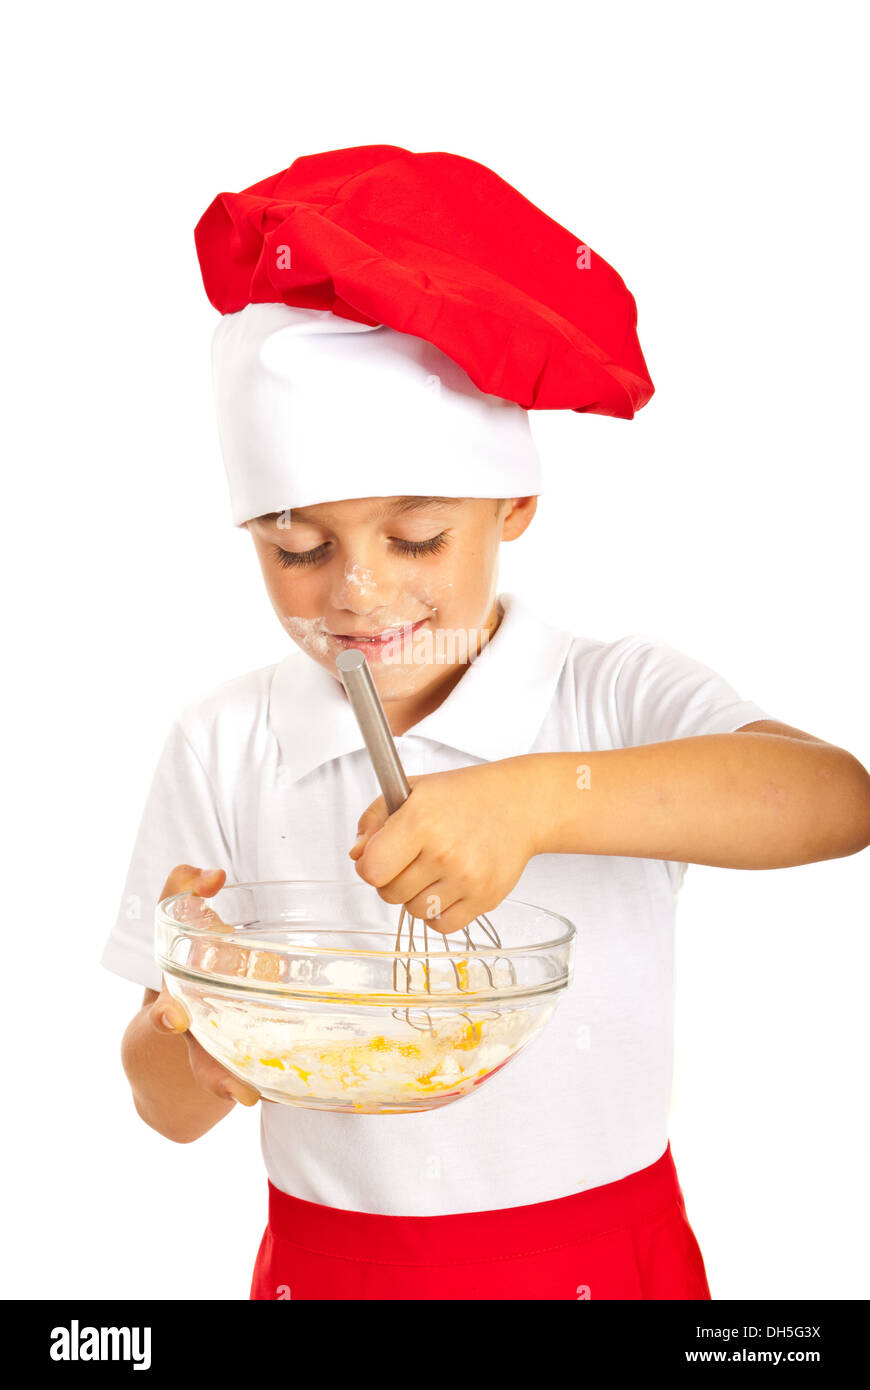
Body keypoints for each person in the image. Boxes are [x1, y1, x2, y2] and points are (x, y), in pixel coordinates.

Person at [101, 146, 870, 1300]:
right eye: (299, 547)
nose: (358, 591)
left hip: (603, 1262)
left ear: (513, 501)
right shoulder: (224, 740)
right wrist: (195, 1028)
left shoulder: (606, 698)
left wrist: (530, 800)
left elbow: (834, 800)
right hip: (333, 1267)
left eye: (416, 538)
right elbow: (158, 1107)